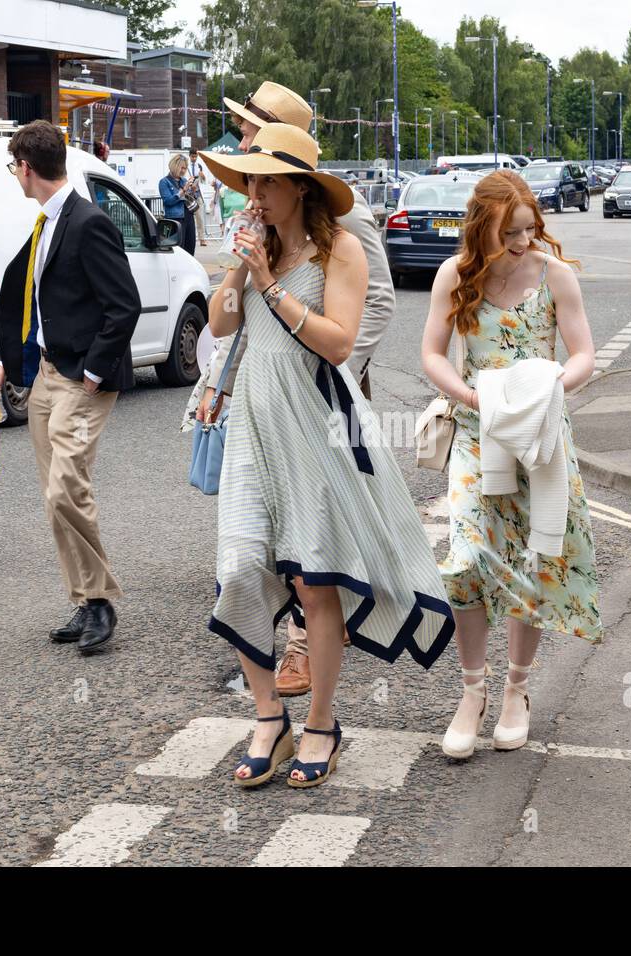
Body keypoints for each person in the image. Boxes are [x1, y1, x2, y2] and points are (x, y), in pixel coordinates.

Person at [202, 123, 452, 788]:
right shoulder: (256, 245)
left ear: (299, 186)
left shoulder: (338, 249)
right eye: (247, 180)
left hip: (315, 416)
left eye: (265, 181)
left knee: (315, 578)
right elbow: (221, 323)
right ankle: (266, 717)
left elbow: (339, 344)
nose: (252, 193)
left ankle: (319, 722)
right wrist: (241, 264)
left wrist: (271, 283)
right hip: (256, 417)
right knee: (239, 565)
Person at [187, 80, 397, 698]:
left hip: (323, 393)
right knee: (248, 554)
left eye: (247, 129)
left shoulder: (344, 220)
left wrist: (334, 369)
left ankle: (307, 656)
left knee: (317, 552)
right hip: (261, 399)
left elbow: (372, 304)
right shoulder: (259, 230)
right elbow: (225, 322)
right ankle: (271, 685)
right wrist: (241, 265)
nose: (240, 144)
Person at [421, 170, 603, 760]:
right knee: (468, 559)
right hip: (478, 432)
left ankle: (516, 691)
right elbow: (431, 352)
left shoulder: (556, 276)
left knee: (535, 559)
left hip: (542, 435)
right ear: (482, 230)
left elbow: (583, 355)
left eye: (529, 230)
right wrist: (469, 397)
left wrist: (548, 388)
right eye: (511, 234)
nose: (524, 243)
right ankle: (471, 692)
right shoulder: (456, 275)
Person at [0, 120, 141, 655]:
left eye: (14, 167)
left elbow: (124, 306)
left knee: (64, 488)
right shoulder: (45, 223)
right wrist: (14, 363)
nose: (15, 176)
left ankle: (101, 602)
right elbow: (32, 299)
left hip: (83, 379)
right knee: (56, 496)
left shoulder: (88, 222)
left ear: (26, 168)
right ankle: (84, 598)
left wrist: (93, 374)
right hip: (47, 375)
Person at [159, 154, 196, 256]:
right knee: (179, 248)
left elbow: (189, 199)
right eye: (182, 168)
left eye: (185, 168)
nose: (183, 171)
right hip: (176, 218)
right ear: (174, 166)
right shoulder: (164, 182)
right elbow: (168, 201)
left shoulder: (184, 180)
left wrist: (193, 191)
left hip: (188, 216)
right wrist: (183, 190)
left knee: (190, 245)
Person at [187, 146, 210, 246]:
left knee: (200, 217)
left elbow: (204, 181)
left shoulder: (199, 166)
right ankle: (188, 237)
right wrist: (189, 186)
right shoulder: (186, 165)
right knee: (189, 218)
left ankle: (202, 239)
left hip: (198, 194)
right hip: (188, 195)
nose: (194, 158)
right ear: (189, 156)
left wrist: (203, 176)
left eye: (195, 156)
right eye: (192, 156)